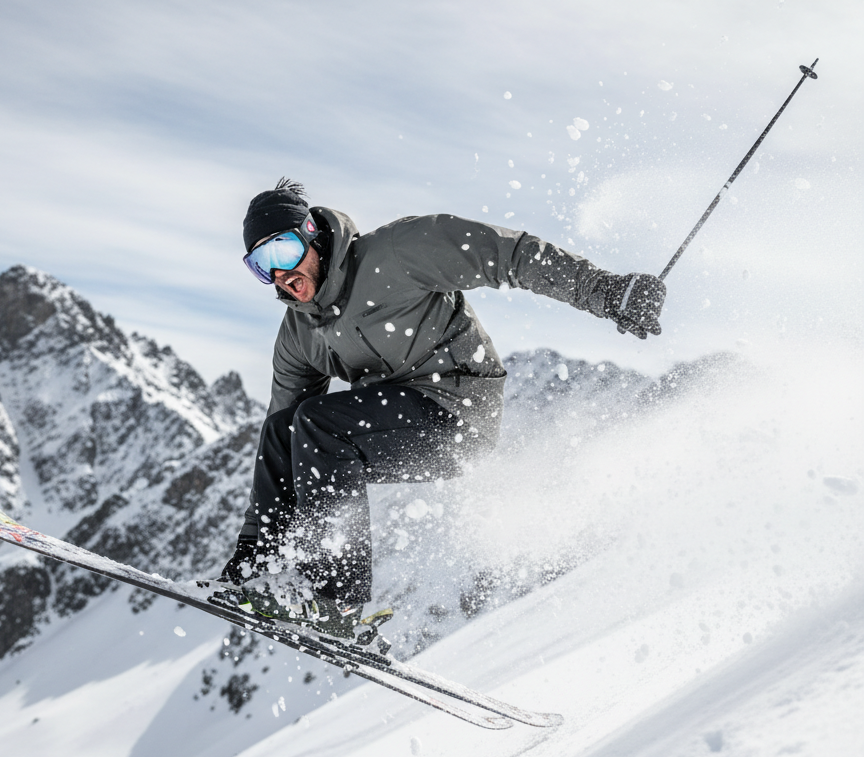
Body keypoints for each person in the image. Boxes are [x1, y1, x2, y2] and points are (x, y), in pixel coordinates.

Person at [221, 178, 665, 638]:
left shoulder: (397, 252)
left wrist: (604, 291)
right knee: (283, 427)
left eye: (283, 252)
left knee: (317, 424)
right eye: (260, 266)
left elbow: (511, 255)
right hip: (395, 421)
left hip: (458, 412)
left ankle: (335, 597)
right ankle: (263, 567)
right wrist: (253, 542)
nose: (279, 275)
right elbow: (279, 441)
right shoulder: (299, 333)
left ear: (313, 232)